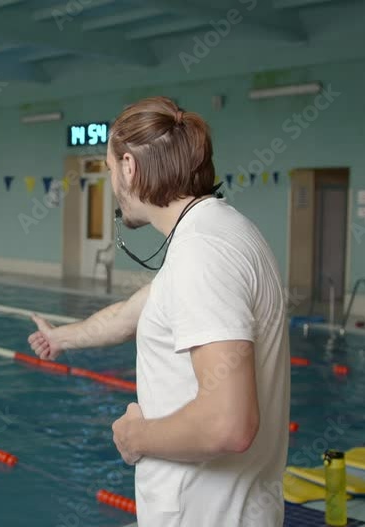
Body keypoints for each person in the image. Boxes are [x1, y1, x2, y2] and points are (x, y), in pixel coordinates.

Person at [27, 97, 289, 526]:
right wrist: (63, 336)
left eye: (111, 171)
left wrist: (136, 438)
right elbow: (134, 312)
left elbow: (230, 424)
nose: (114, 184)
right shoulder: (222, 230)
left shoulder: (202, 255)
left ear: (129, 167)